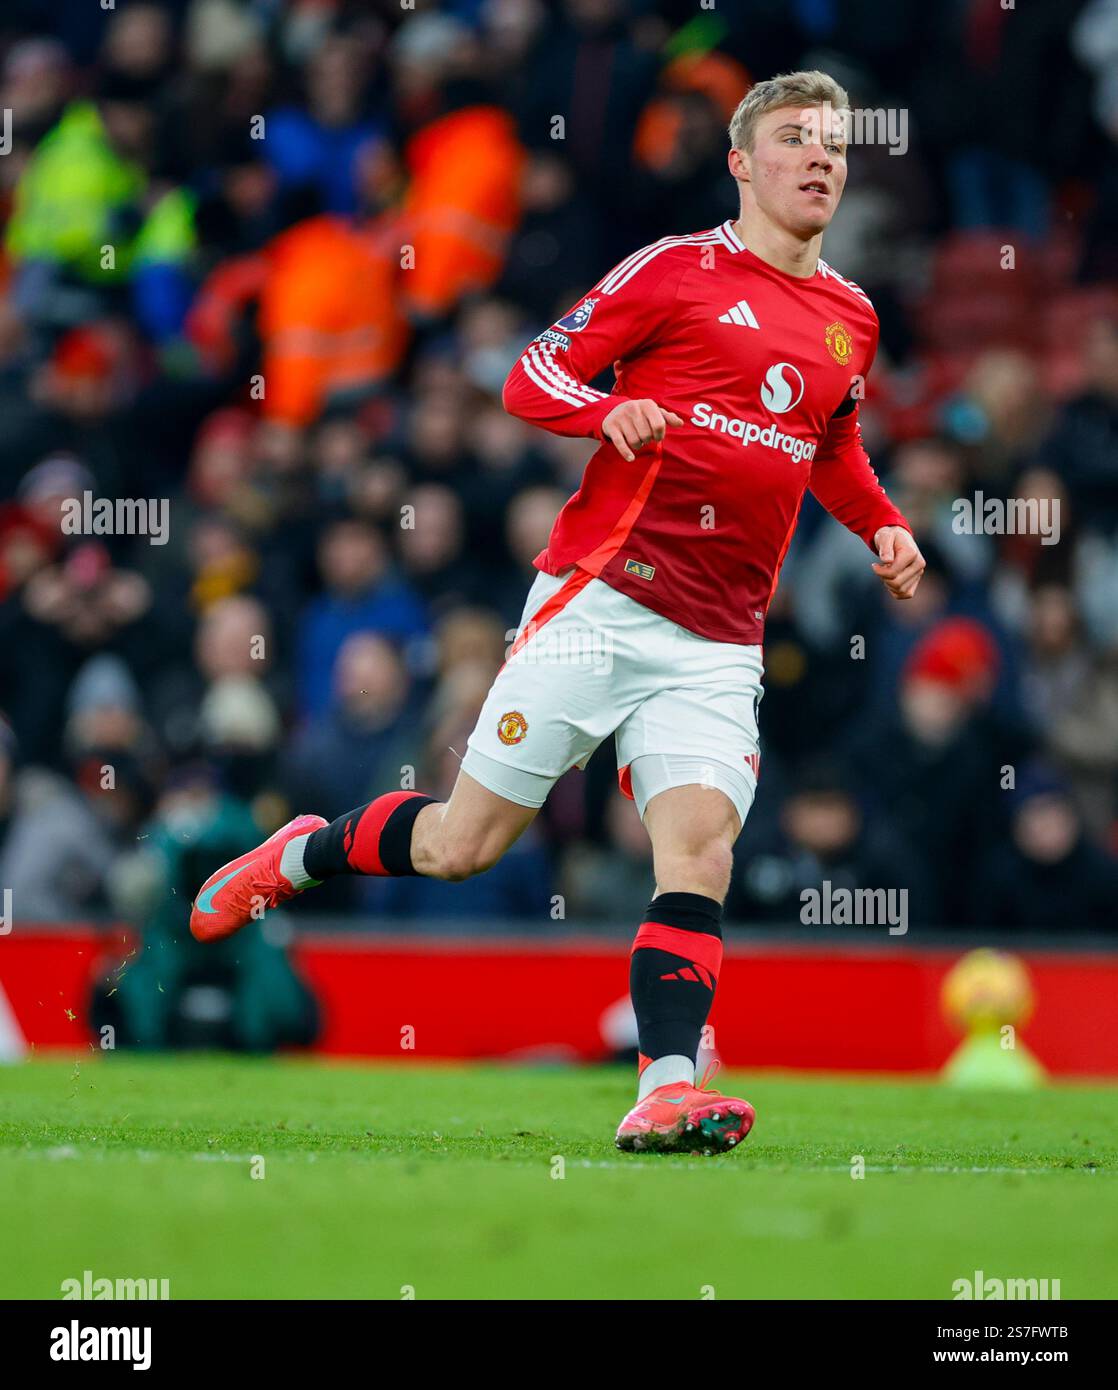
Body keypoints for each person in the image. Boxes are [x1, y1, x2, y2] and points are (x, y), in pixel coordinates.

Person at [188, 71, 925, 1155]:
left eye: (833, 143)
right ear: (740, 164)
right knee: (460, 842)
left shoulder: (850, 317)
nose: (819, 158)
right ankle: (303, 852)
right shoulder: (676, 272)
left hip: (718, 639)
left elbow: (831, 449)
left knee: (699, 849)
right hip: (601, 602)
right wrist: (605, 407)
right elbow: (529, 373)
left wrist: (880, 527)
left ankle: (666, 1084)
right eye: (792, 141)